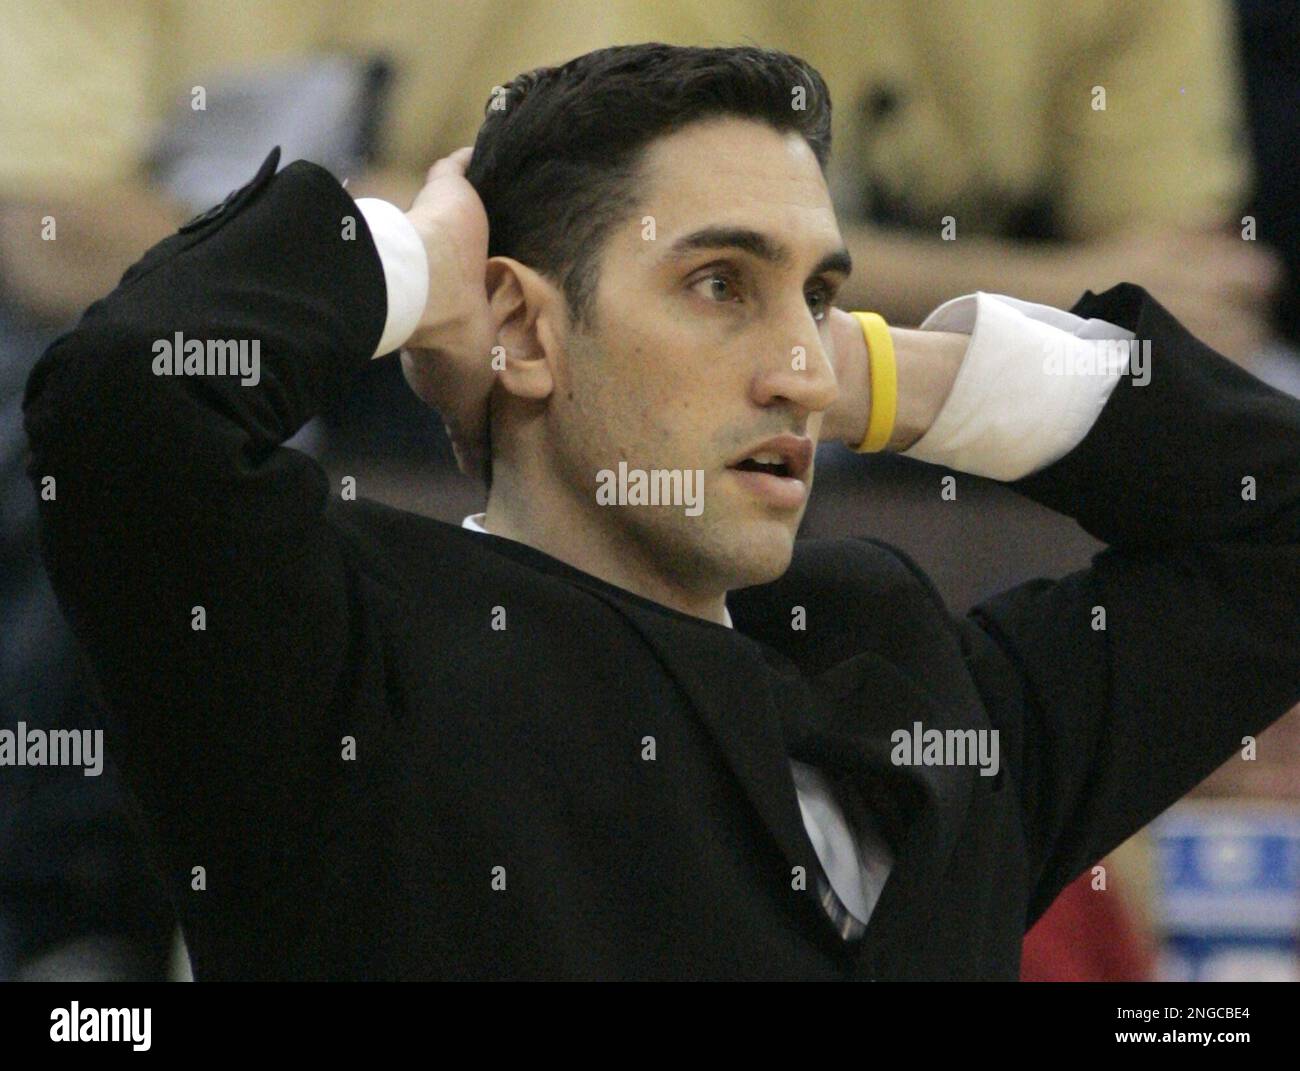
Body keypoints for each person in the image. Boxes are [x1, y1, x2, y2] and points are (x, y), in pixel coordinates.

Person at [22, 44, 1299, 980]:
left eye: (818, 294)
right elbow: (127, 398)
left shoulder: (922, 691)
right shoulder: (333, 658)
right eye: (715, 282)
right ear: (520, 322)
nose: (800, 363)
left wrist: (874, 369)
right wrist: (418, 257)